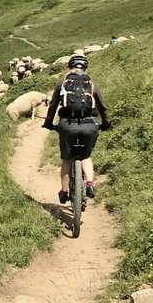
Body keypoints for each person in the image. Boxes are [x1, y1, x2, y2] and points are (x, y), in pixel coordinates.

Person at [42, 54, 111, 203]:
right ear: (85, 67)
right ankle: (90, 184)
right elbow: (102, 107)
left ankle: (64, 191)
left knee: (67, 158)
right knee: (86, 156)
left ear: (70, 67)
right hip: (89, 125)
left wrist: (48, 123)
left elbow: (53, 106)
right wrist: (106, 122)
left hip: (67, 125)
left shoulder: (63, 82)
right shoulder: (91, 84)